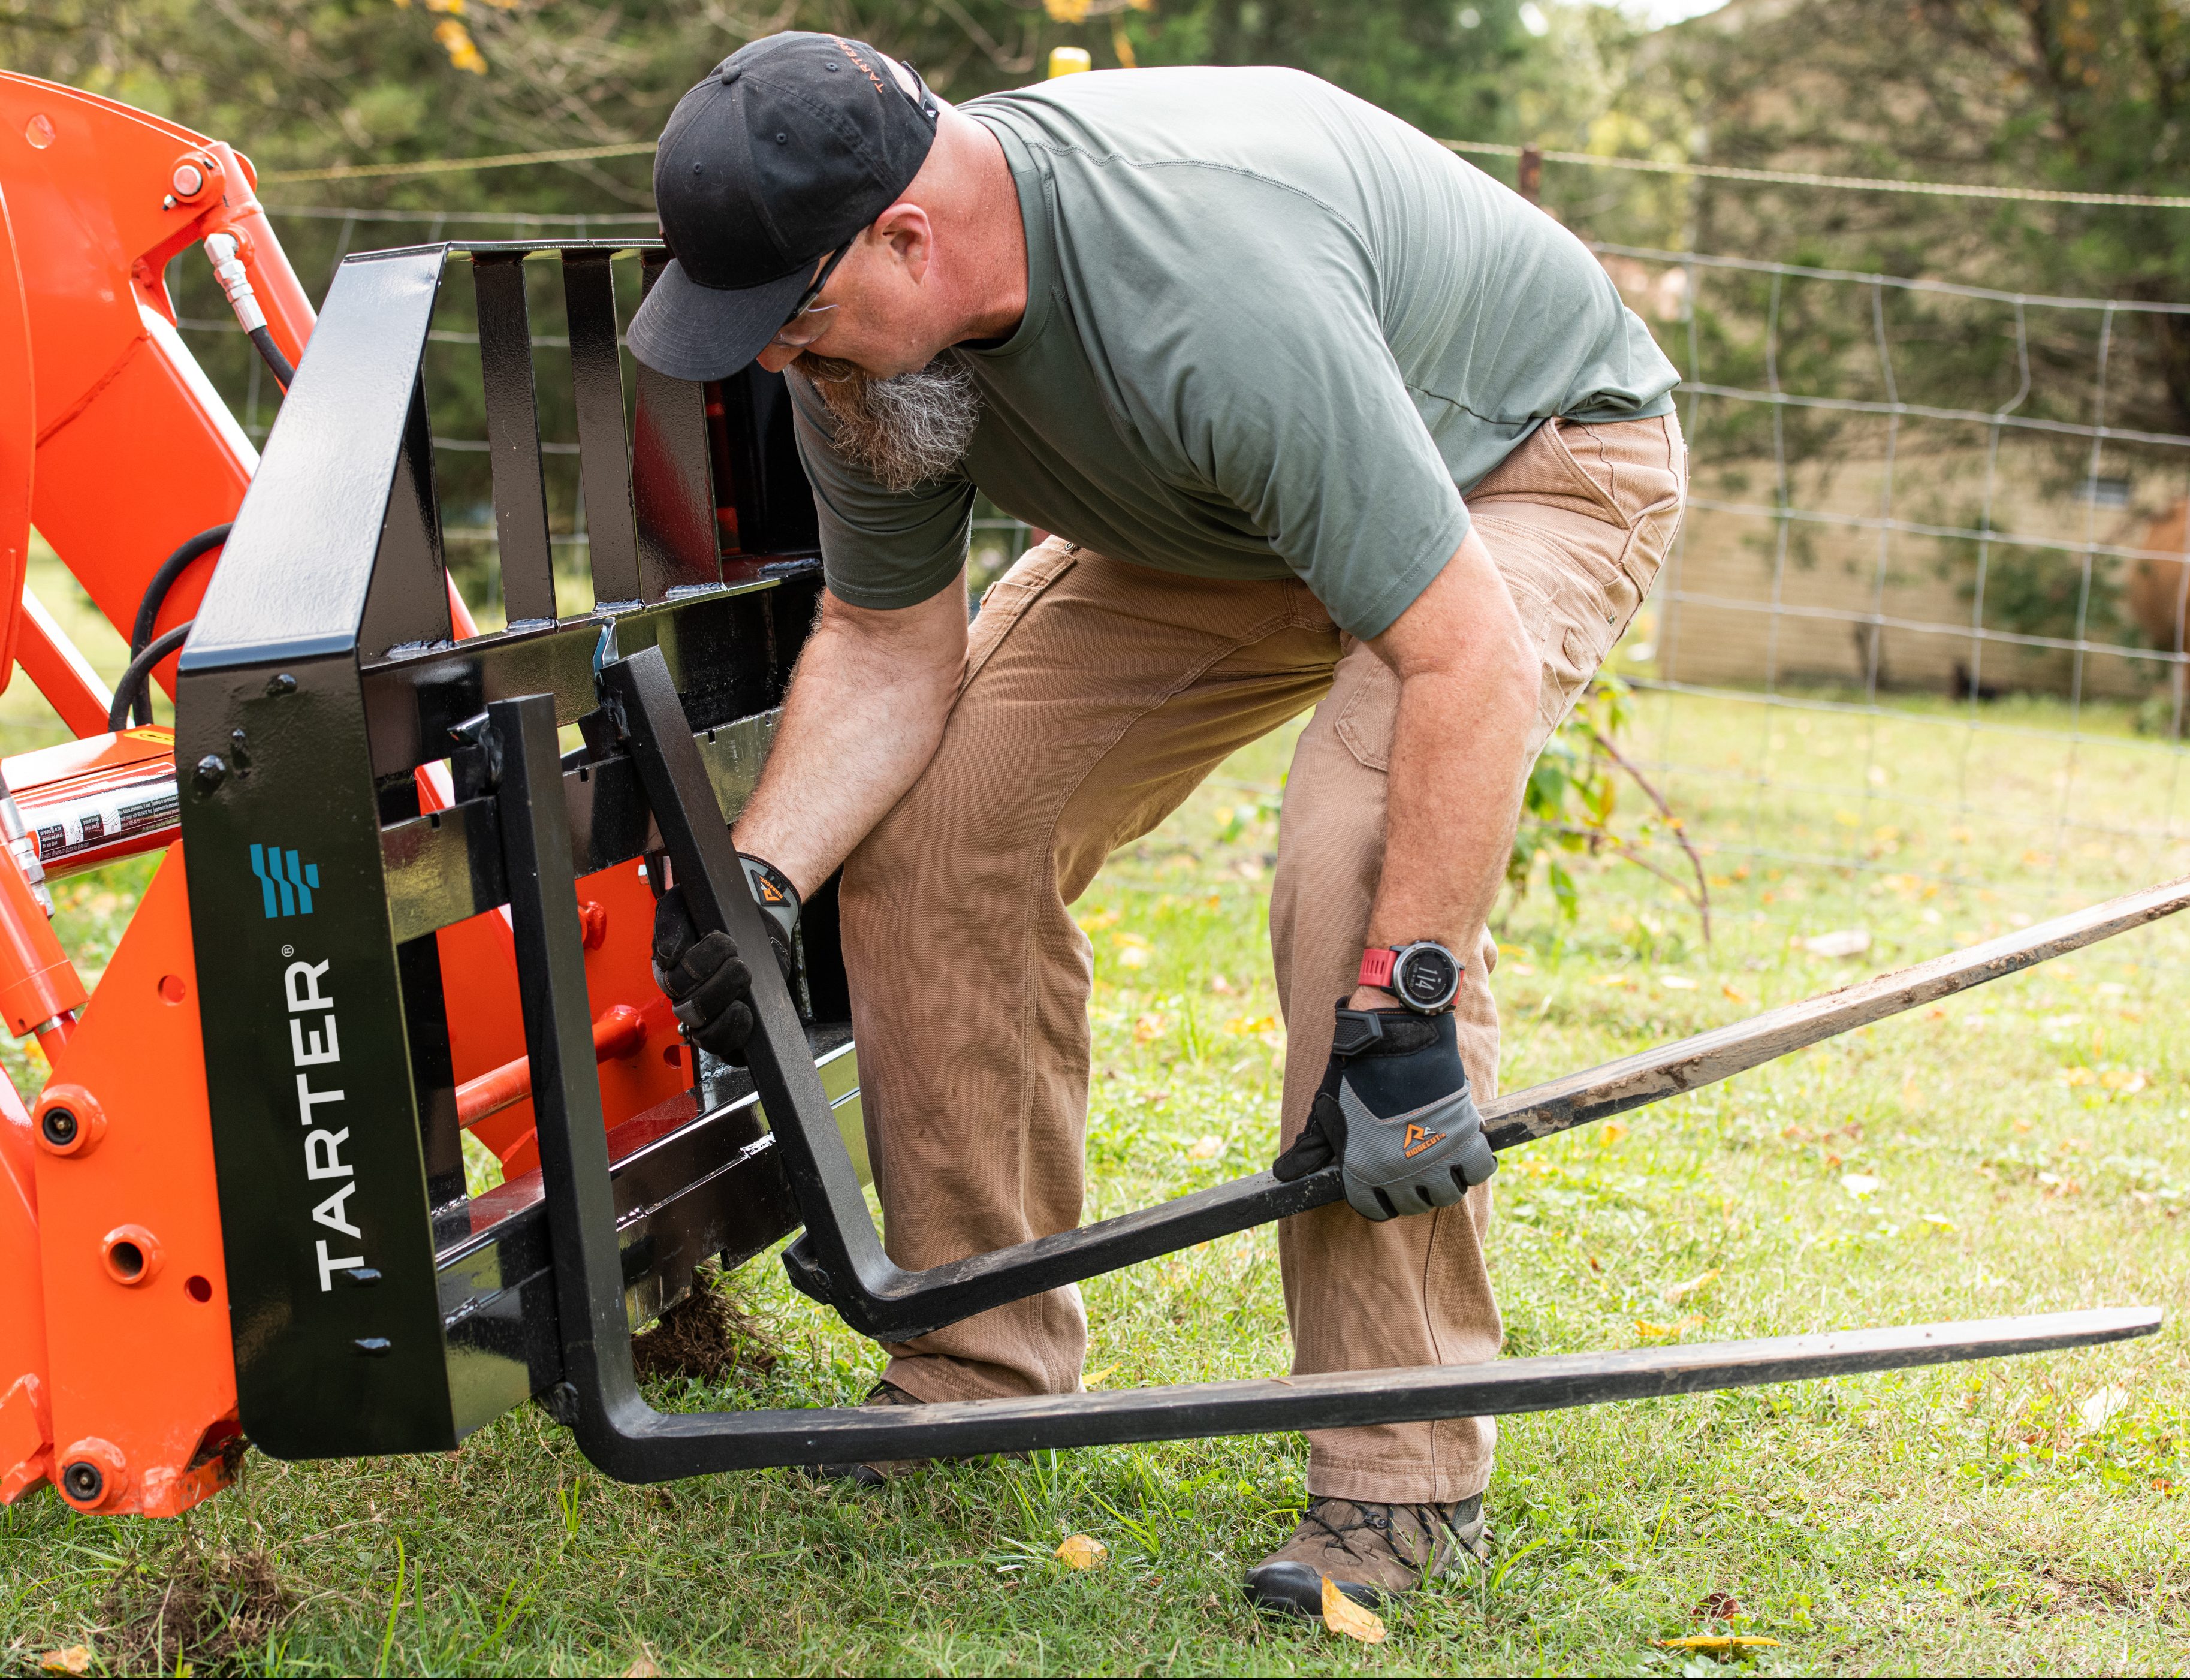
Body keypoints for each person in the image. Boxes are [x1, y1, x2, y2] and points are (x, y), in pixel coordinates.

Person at [628, 29, 1684, 1617]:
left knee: (1356, 873)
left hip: (1518, 463)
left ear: (907, 238)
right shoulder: (866, 356)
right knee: (936, 832)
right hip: (1226, 511)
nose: (780, 360)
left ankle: (1401, 1469)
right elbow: (889, 645)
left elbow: (1463, 657)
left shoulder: (1206, 292)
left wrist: (1407, 998)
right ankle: (977, 1361)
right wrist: (764, 880)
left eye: (794, 319)